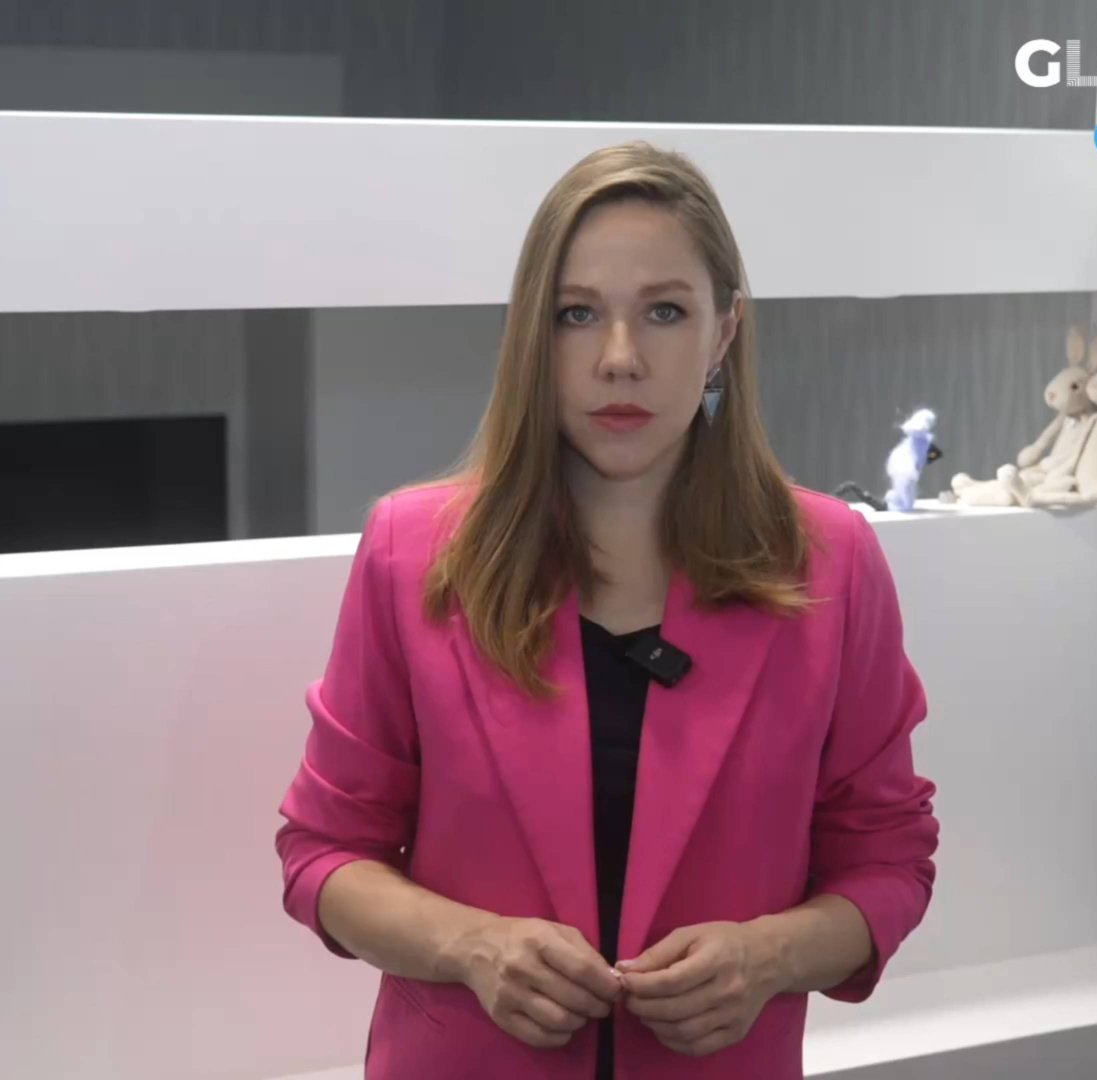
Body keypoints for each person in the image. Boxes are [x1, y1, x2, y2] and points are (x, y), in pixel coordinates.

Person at [274, 141, 939, 1079]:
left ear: (724, 332)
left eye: (664, 312)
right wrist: (471, 947)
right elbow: (324, 854)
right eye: (576, 314)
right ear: (531, 338)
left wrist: (770, 957)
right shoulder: (409, 553)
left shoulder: (834, 563)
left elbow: (889, 861)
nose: (619, 359)